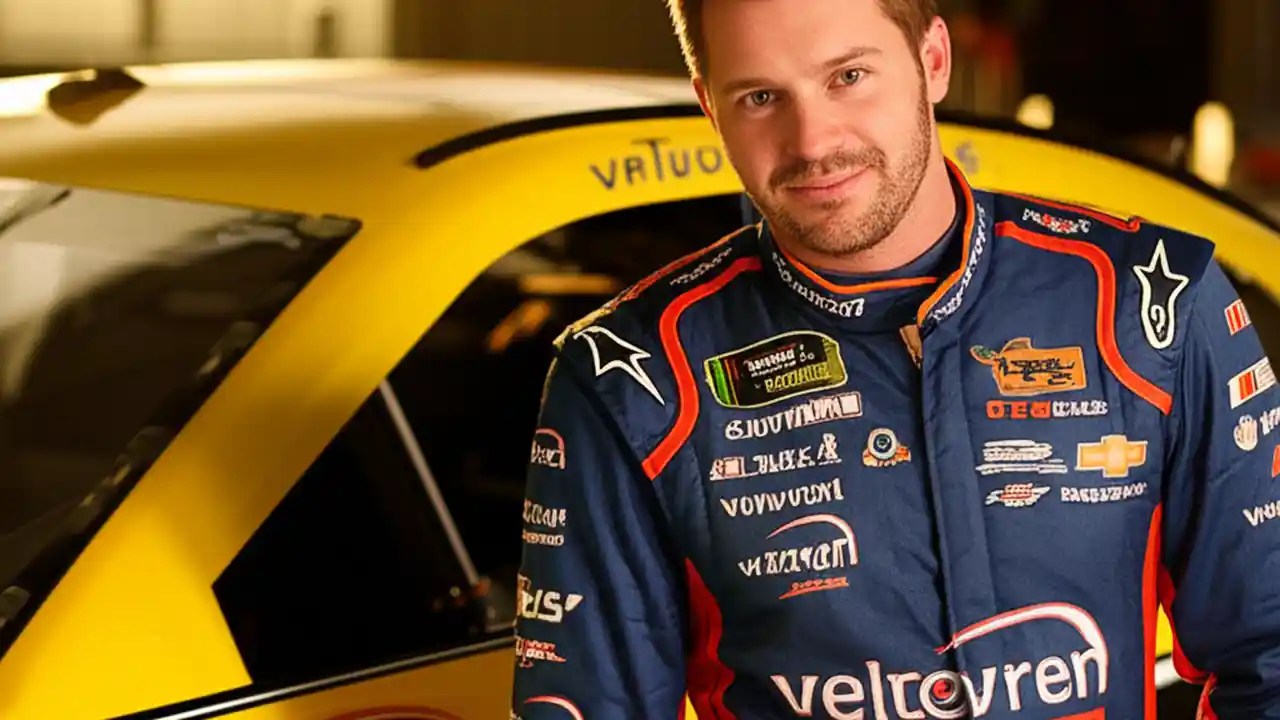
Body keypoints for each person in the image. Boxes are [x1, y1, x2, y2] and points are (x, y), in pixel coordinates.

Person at [510, 0, 1280, 717]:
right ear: (710, 106)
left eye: (848, 76)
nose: (811, 143)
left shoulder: (1152, 299)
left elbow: (1269, 657)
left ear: (933, 58)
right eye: (759, 98)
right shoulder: (629, 376)